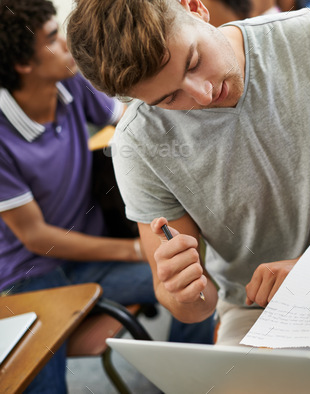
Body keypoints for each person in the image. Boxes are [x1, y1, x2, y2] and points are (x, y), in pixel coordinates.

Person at [66, 0, 310, 345]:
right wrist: (183, 293)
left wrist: (309, 265)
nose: (202, 95)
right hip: (257, 307)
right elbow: (196, 310)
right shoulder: (139, 144)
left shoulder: (307, 36)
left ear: (195, 7)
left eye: (194, 62)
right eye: (170, 98)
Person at [0, 1, 214, 392]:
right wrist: (136, 251)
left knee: (194, 278)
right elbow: (38, 239)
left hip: (93, 257)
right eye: (52, 38)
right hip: (29, 276)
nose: (67, 44)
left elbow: (139, 122)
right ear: (23, 65)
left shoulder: (69, 81)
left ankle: (193, 382)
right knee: (33, 378)